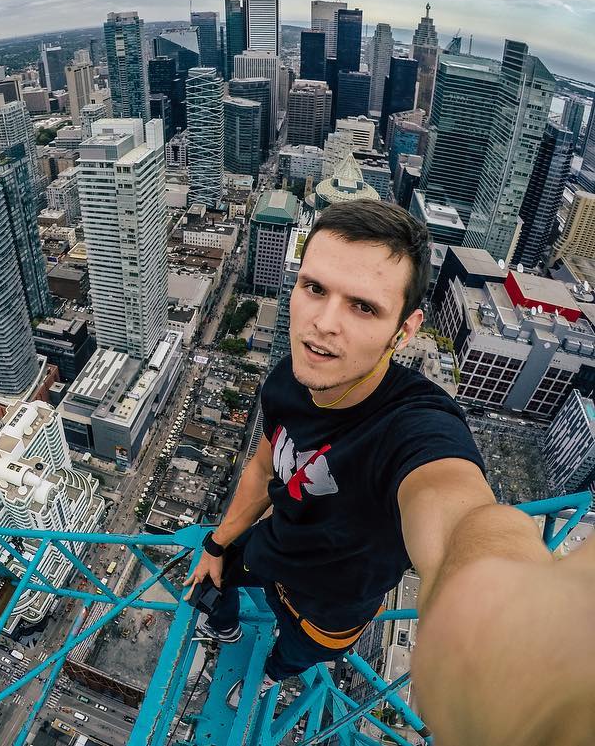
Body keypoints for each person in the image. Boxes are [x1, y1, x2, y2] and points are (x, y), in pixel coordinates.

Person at [182, 199, 595, 745]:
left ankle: (267, 679)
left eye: (364, 308)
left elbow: (456, 513)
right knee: (215, 581)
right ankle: (227, 625)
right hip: (270, 549)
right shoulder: (290, 379)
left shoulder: (413, 428)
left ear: (405, 330)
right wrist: (219, 541)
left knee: (289, 657)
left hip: (329, 609)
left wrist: (511, 628)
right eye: (314, 289)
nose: (323, 325)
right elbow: (264, 463)